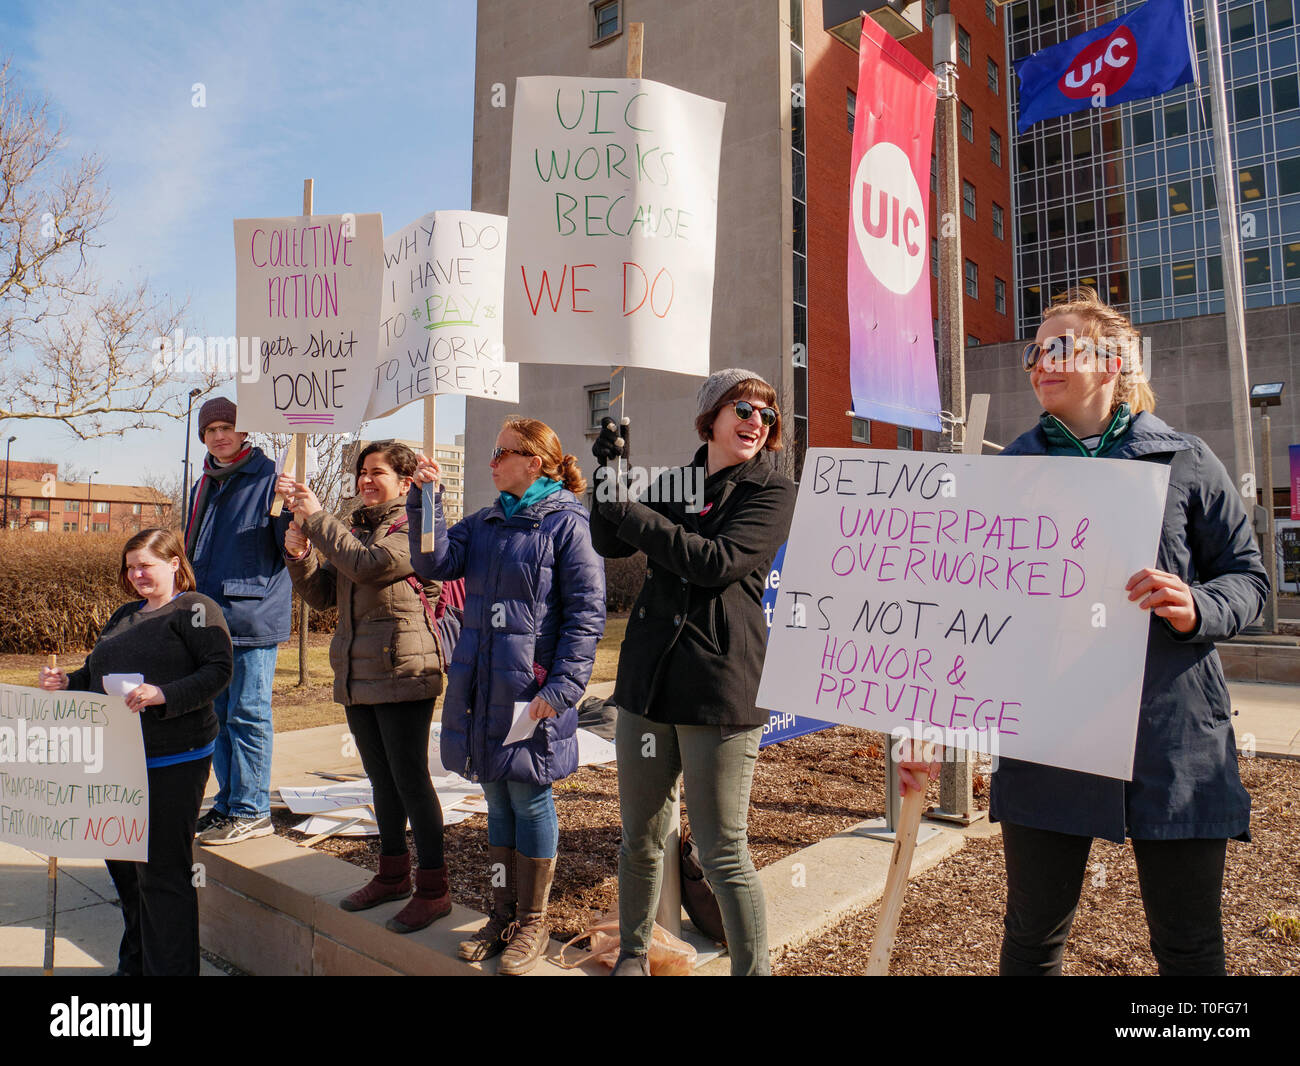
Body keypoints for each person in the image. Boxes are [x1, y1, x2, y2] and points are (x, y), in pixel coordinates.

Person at [993, 287, 1268, 976]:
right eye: (1034, 350)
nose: (1038, 362)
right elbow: (967, 614)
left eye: (1059, 347)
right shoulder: (1005, 476)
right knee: (1033, 940)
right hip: (1046, 738)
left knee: (1190, 947)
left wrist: (1196, 605)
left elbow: (1249, 580)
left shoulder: (1187, 460)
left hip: (1171, 737)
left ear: (1112, 361)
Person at [589, 369, 796, 976]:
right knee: (640, 838)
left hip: (719, 685)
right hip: (650, 684)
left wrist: (629, 508)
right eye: (743, 407)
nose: (757, 419)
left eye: (766, 411)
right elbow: (610, 541)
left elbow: (716, 563)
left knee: (722, 849)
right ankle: (633, 954)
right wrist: (608, 478)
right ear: (711, 418)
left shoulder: (772, 491)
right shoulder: (677, 481)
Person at [408, 417, 605, 975]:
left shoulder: (567, 525)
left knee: (529, 797)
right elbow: (432, 562)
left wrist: (562, 687)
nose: (491, 461)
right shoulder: (487, 520)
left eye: (502, 452)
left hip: (532, 691)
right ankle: (502, 913)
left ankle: (533, 920)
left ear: (534, 462)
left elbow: (587, 616)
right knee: (496, 798)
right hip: (481, 687)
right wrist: (427, 502)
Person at [40, 528, 233, 976]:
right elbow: (95, 672)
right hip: (119, 760)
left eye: (145, 564)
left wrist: (163, 694)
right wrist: (68, 681)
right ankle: (136, 965)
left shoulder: (197, 610)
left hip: (174, 759)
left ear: (173, 563)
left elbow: (219, 670)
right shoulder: (124, 614)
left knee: (163, 873)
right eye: (130, 567)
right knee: (127, 872)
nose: (136, 574)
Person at [278, 441, 450, 934]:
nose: (366, 481)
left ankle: (434, 890)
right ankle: (393, 875)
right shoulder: (357, 527)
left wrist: (315, 520)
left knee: (410, 779)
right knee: (381, 780)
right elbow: (324, 594)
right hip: (359, 672)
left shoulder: (417, 524)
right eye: (361, 473)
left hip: (404, 669)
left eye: (377, 472)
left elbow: (372, 565)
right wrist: (300, 556)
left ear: (404, 480)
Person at [186, 397, 292, 845]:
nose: (220, 436)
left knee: (247, 714)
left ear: (246, 432)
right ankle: (228, 804)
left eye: (228, 426)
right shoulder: (204, 485)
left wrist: (294, 509)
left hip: (251, 615)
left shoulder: (272, 480)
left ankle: (252, 809)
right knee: (217, 715)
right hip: (205, 618)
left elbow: (291, 545)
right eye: (211, 430)